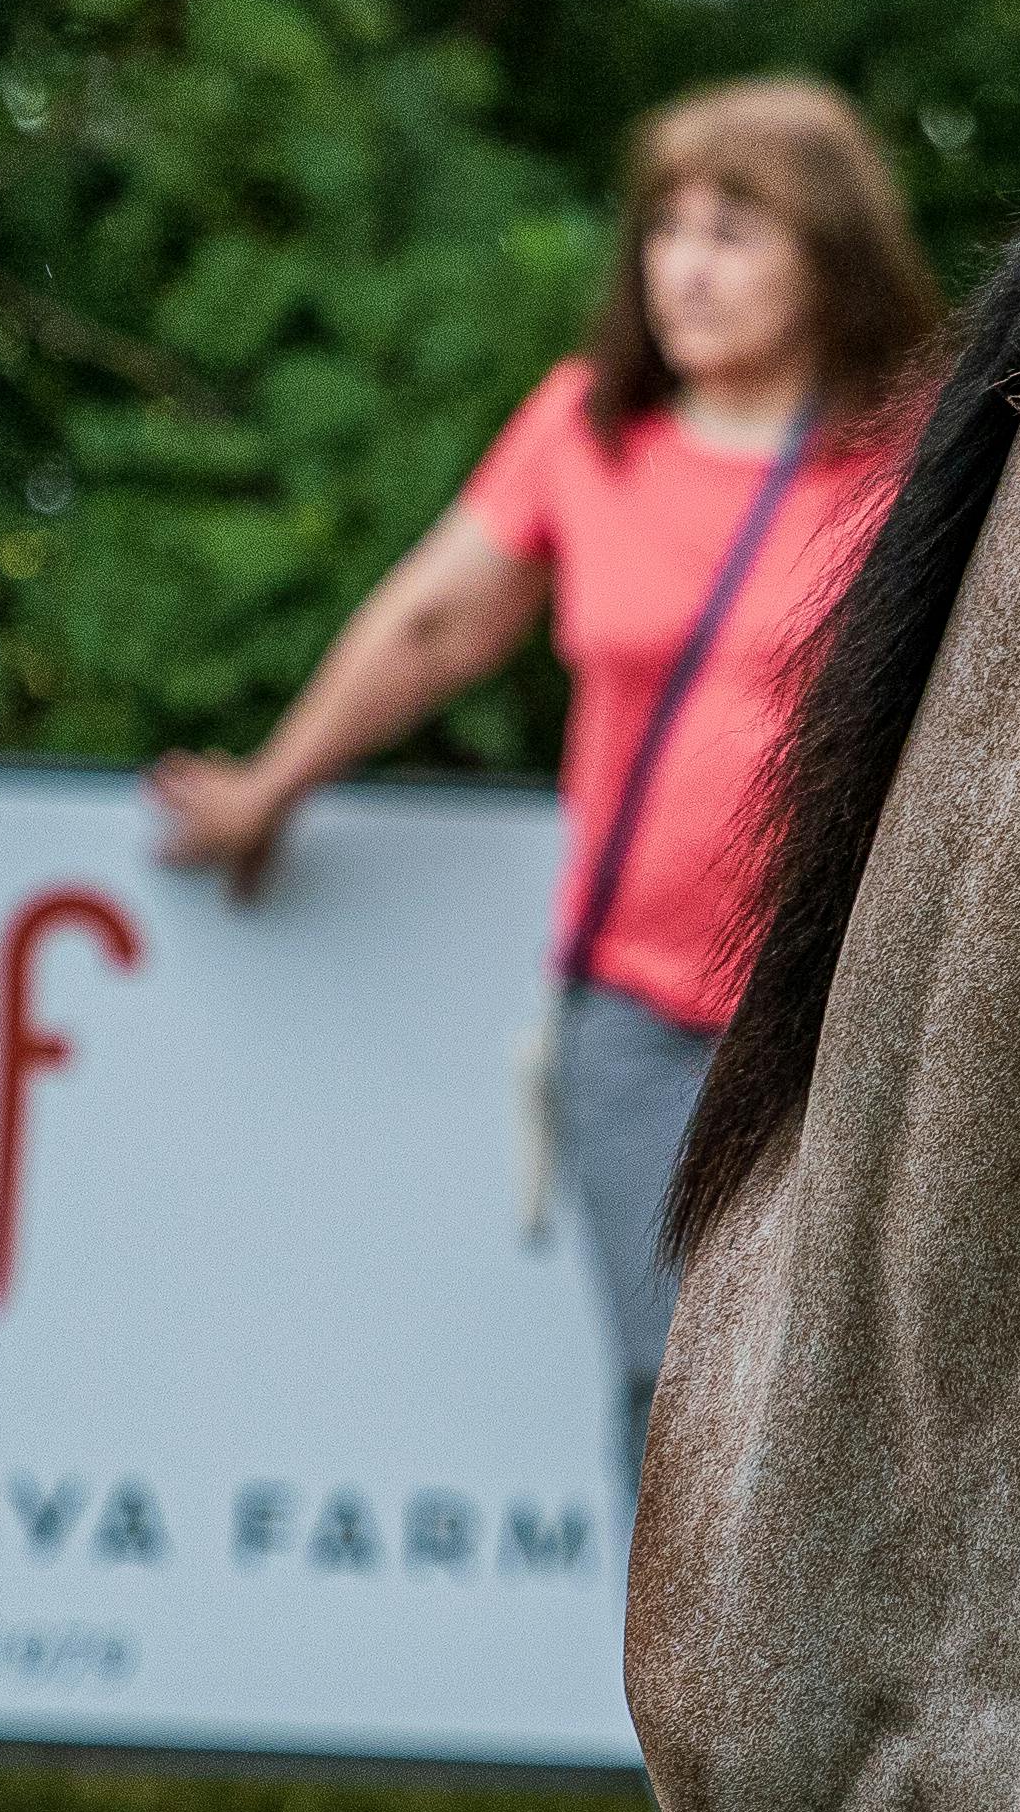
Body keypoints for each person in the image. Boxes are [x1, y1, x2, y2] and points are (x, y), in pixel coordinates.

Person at [152, 77, 938, 1503]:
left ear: (832, 256)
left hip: (853, 1006)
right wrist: (274, 784)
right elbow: (435, 623)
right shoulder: (589, 428)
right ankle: (685, 1727)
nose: (685, 267)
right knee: (679, 1379)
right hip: (636, 1012)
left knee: (866, 1393)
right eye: (668, 231)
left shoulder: (917, 451)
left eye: (736, 233)